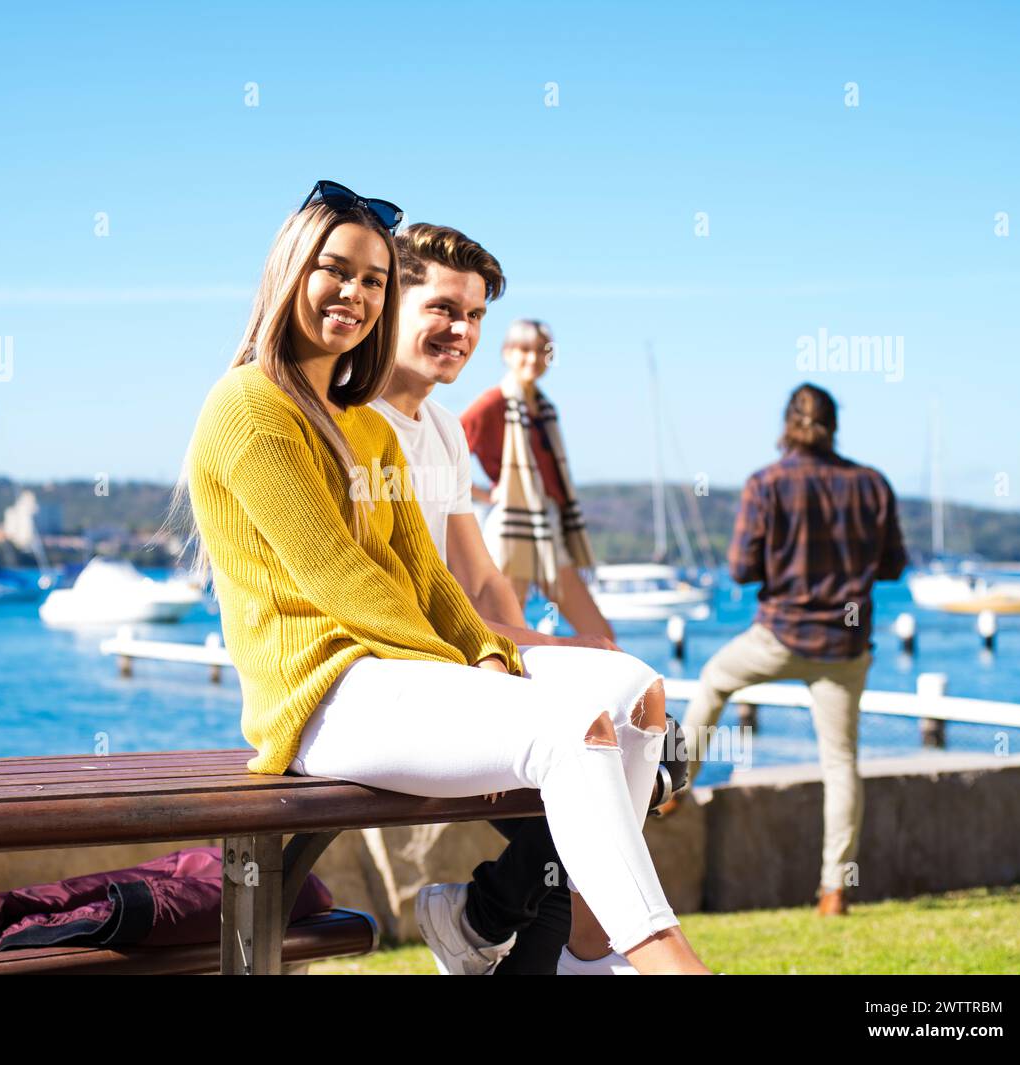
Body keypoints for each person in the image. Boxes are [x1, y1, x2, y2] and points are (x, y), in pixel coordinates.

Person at [177, 181, 712, 973]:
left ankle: (585, 954)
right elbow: (342, 581)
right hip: (323, 693)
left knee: (634, 695)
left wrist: (489, 654)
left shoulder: (369, 426)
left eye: (370, 279)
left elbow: (430, 580)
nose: (354, 294)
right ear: (290, 272)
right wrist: (488, 671)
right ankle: (669, 963)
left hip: (399, 672)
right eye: (337, 270)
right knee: (567, 729)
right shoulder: (250, 407)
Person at [370, 222, 685, 975]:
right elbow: (410, 606)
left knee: (639, 692)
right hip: (396, 676)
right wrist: (527, 651)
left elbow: (479, 579)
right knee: (593, 763)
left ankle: (525, 928)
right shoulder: (355, 425)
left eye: (475, 315)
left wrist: (571, 648)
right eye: (443, 307)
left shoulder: (440, 428)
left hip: (462, 655)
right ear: (391, 302)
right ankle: (556, 939)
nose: (462, 330)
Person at [672, 383, 908, 916]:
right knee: (841, 760)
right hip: (843, 645)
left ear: (786, 423)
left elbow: (740, 569)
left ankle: (675, 785)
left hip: (778, 635)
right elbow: (893, 565)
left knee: (713, 681)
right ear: (834, 423)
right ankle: (833, 891)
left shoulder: (766, 483)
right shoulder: (871, 484)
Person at [460, 320, 612, 639]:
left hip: (550, 527)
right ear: (507, 353)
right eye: (525, 350)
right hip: (512, 527)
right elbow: (445, 452)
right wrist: (486, 495)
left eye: (542, 351)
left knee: (601, 634)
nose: (533, 359)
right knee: (508, 634)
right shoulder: (493, 403)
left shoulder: (546, 409)